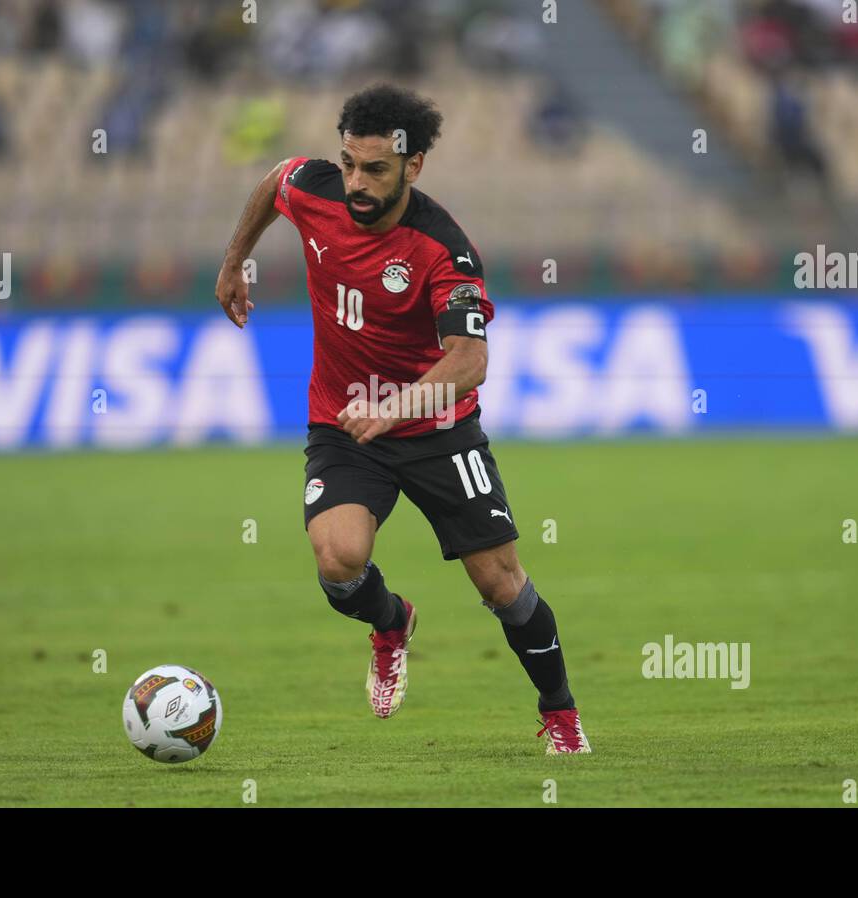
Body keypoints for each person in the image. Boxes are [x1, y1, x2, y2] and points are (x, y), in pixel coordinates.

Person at [213, 84, 590, 753]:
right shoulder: (317, 188)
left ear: (412, 167)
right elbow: (276, 181)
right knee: (339, 560)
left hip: (437, 430)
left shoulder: (442, 250)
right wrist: (236, 258)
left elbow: (469, 361)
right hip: (344, 423)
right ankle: (392, 623)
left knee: (500, 584)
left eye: (375, 170)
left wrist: (396, 408)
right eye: (349, 164)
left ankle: (560, 714)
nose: (356, 182)